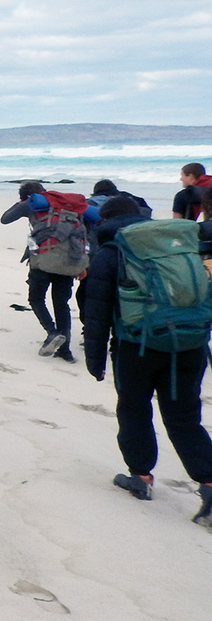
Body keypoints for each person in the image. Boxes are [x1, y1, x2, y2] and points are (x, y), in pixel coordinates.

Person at [79, 194, 212, 525]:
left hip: (136, 348)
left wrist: (95, 362)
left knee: (134, 410)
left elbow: (94, 313)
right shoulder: (177, 245)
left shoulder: (112, 252)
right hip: (189, 343)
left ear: (104, 221)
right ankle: (209, 483)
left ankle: (140, 477)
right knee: (184, 417)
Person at [0, 181, 87, 362]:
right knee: (61, 304)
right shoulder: (67, 206)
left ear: (28, 197)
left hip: (42, 259)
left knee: (36, 298)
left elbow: (5, 218)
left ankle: (52, 332)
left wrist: (22, 203)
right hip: (68, 260)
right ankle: (65, 352)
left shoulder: (31, 204)